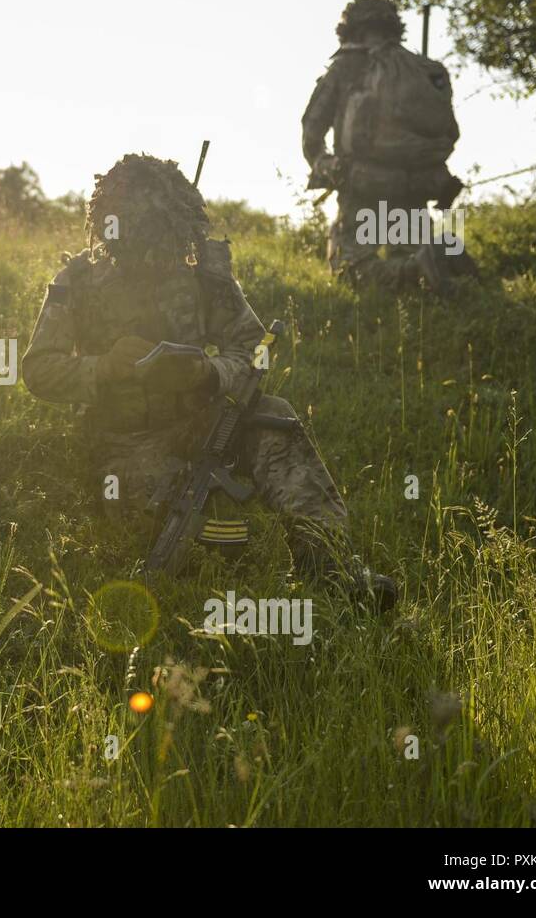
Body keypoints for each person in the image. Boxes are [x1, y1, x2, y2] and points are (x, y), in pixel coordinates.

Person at [22, 153, 397, 609]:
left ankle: (332, 565)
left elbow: (254, 348)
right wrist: (104, 367)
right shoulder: (77, 280)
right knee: (171, 536)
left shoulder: (201, 274)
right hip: (124, 443)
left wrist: (209, 373)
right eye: (139, 237)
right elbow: (38, 369)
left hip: (200, 422)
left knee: (274, 417)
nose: (152, 256)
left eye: (162, 238)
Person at [302, 0, 476, 295]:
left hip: (363, 186)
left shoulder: (347, 67)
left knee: (350, 270)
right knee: (409, 260)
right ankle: (441, 258)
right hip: (418, 185)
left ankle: (424, 265)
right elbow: (449, 132)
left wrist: (327, 167)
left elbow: (312, 131)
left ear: (352, 28)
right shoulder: (421, 69)